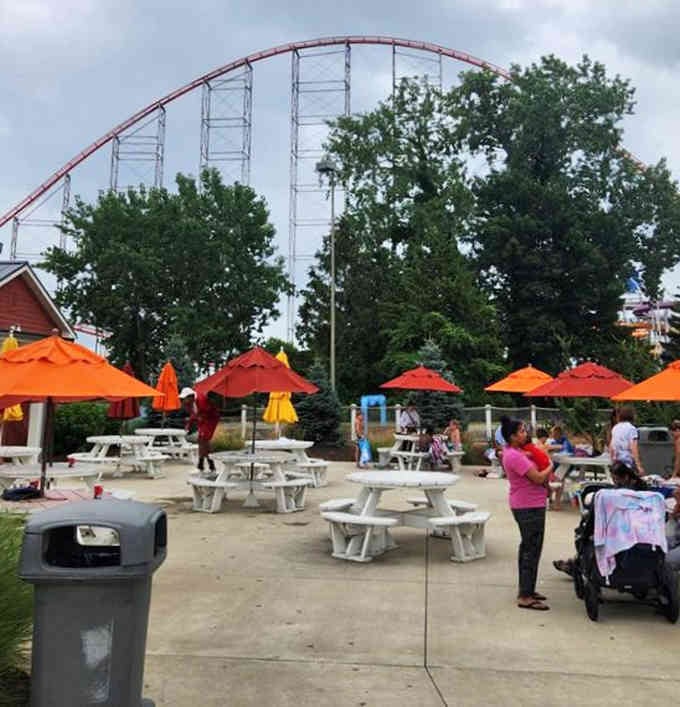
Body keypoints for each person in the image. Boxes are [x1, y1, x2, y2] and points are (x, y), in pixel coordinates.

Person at [553, 461, 680, 576]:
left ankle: (576, 564)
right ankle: (576, 562)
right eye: (613, 479)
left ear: (625, 477)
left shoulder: (637, 490)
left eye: (616, 479)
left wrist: (675, 511)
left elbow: (675, 493)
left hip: (628, 530)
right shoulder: (640, 488)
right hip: (632, 529)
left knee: (589, 533)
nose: (615, 482)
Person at [501, 418, 553, 611]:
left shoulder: (517, 452)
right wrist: (551, 466)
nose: (525, 434)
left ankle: (527, 589)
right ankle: (525, 596)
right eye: (521, 431)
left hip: (528, 504)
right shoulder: (514, 456)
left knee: (529, 548)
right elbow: (538, 478)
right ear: (512, 437)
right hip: (528, 507)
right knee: (531, 549)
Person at [179, 387, 220, 473]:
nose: (183, 400)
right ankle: (209, 466)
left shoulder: (202, 399)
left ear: (191, 396)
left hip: (210, 421)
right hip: (202, 421)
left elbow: (206, 411)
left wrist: (197, 418)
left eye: (184, 398)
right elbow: (194, 415)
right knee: (202, 441)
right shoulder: (192, 403)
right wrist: (189, 425)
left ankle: (202, 466)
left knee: (203, 440)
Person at [609, 406, 645, 475]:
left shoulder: (615, 428)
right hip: (627, 462)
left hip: (617, 461)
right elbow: (633, 447)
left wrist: (612, 461)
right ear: (631, 416)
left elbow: (611, 446)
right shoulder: (632, 429)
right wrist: (639, 466)